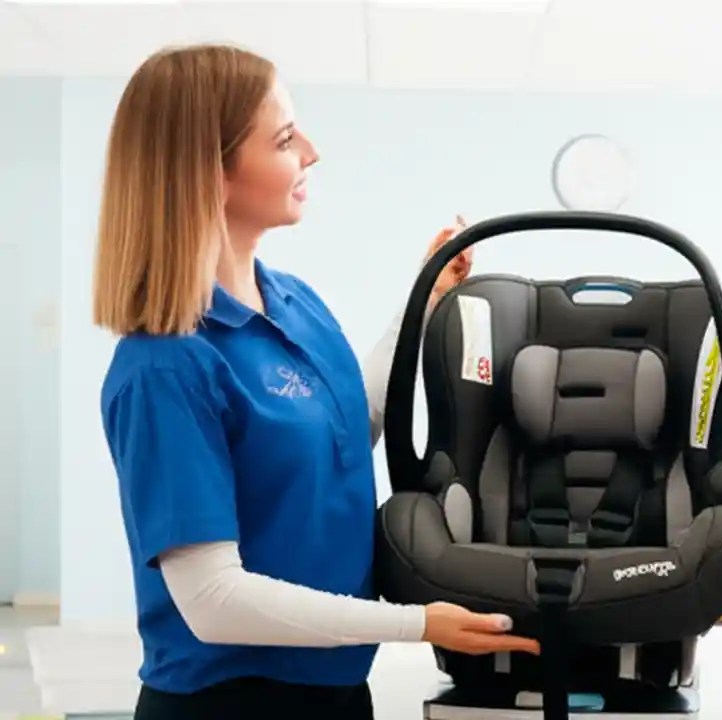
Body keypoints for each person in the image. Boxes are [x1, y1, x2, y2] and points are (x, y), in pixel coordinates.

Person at [92, 44, 539, 720]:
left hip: (333, 690)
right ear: (207, 173)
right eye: (282, 138)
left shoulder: (294, 301)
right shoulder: (166, 366)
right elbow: (213, 602)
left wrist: (424, 300)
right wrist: (417, 624)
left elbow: (343, 430)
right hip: (228, 704)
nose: (311, 150)